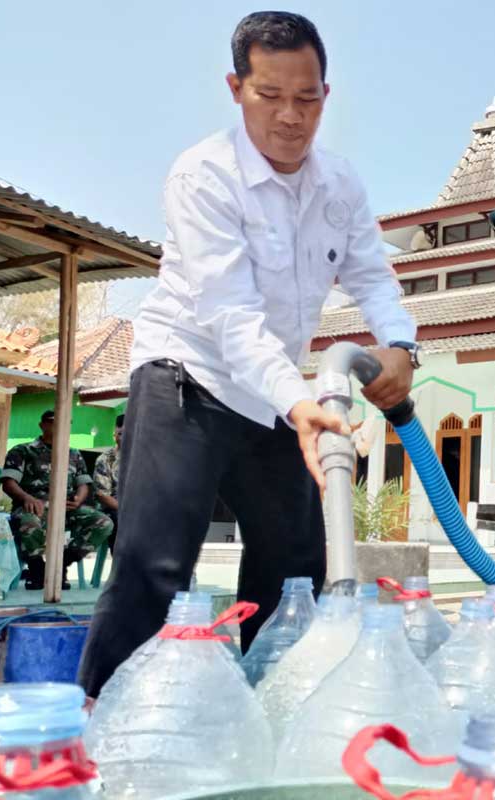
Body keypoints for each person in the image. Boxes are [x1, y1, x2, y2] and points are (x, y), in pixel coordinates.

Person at [78, 12, 418, 698]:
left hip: (270, 392)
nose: (290, 117)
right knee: (156, 559)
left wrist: (402, 345)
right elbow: (229, 317)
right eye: (271, 96)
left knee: (297, 561)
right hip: (188, 374)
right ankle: (104, 717)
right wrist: (299, 403)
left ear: (328, 93)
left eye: (307, 98)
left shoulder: (340, 185)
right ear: (236, 88)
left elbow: (373, 275)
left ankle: (268, 703)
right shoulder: (203, 176)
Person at [1, 410, 115, 590]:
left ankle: (62, 564)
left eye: (66, 423)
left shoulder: (74, 454)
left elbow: (83, 483)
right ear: (43, 425)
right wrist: (26, 498)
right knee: (28, 523)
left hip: (66, 507)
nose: (60, 426)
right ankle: (37, 568)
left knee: (104, 522)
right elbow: (8, 482)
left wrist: (79, 499)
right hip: (34, 506)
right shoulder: (23, 450)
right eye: (54, 422)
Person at [92, 414, 124, 552]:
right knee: (120, 521)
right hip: (114, 508)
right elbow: (102, 495)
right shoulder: (105, 460)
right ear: (114, 435)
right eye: (121, 433)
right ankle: (122, 567)